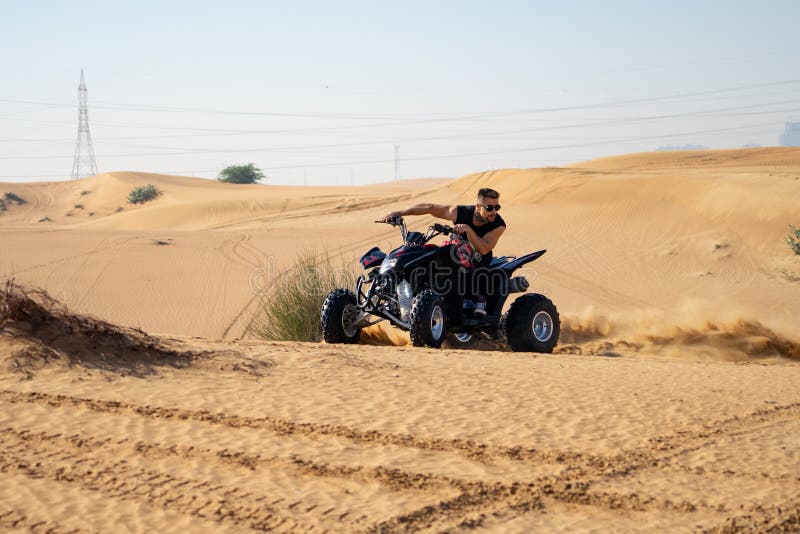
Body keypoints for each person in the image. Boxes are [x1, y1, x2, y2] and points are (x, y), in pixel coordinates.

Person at [381, 188, 506, 315]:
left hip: (479, 258)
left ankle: (477, 299)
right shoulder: (461, 212)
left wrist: (468, 230)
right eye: (490, 208)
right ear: (478, 207)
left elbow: (483, 248)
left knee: (461, 259)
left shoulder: (499, 225)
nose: (494, 211)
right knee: (428, 255)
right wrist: (398, 213)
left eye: (497, 207)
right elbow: (429, 208)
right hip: (453, 250)